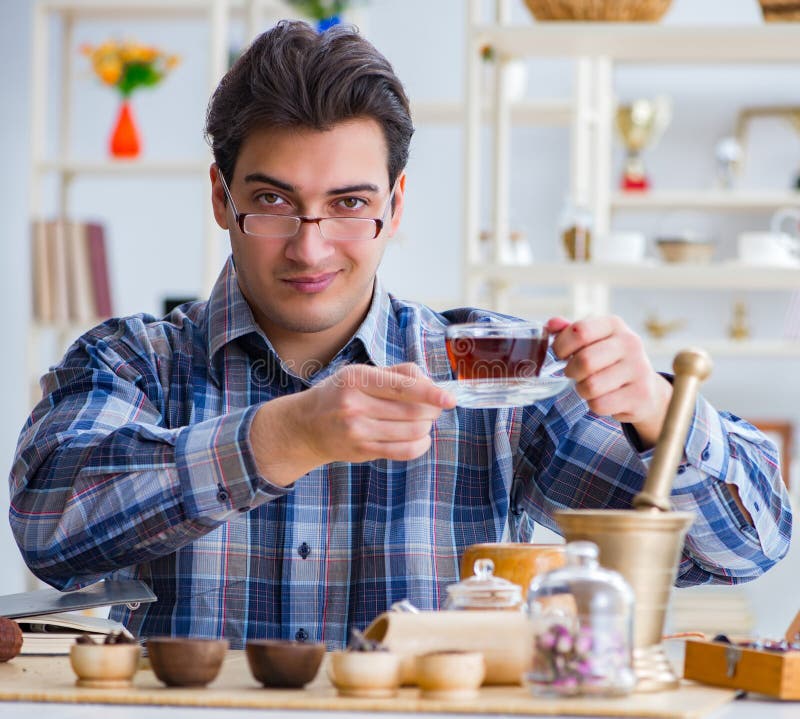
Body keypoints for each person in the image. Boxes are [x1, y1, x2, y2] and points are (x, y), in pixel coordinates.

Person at [9, 21, 790, 649]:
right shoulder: (132, 360)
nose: (311, 247)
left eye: (349, 205)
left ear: (397, 203)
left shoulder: (491, 371)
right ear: (221, 196)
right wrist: (284, 435)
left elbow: (751, 544)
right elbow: (48, 526)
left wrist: (657, 408)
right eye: (274, 201)